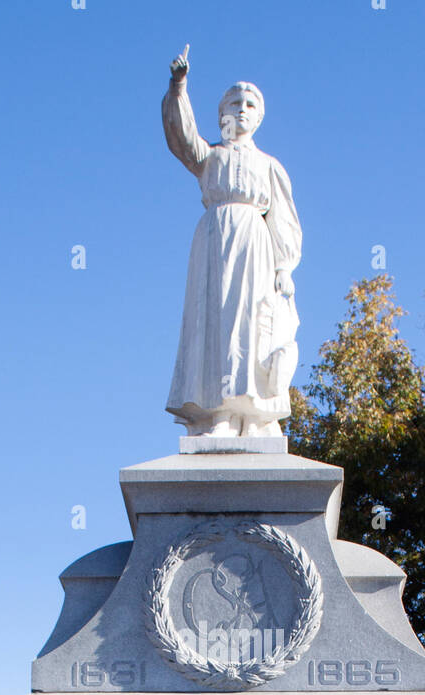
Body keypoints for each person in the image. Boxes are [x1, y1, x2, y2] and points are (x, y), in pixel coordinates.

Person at [162, 45, 301, 437]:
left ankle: (252, 414)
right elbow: (182, 138)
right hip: (213, 243)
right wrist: (179, 86)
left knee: (251, 326)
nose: (242, 109)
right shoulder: (211, 157)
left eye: (250, 104)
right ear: (222, 113)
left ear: (259, 117)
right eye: (235, 102)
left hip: (254, 246)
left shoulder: (269, 165)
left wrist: (284, 267)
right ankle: (218, 413)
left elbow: (285, 221)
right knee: (215, 323)